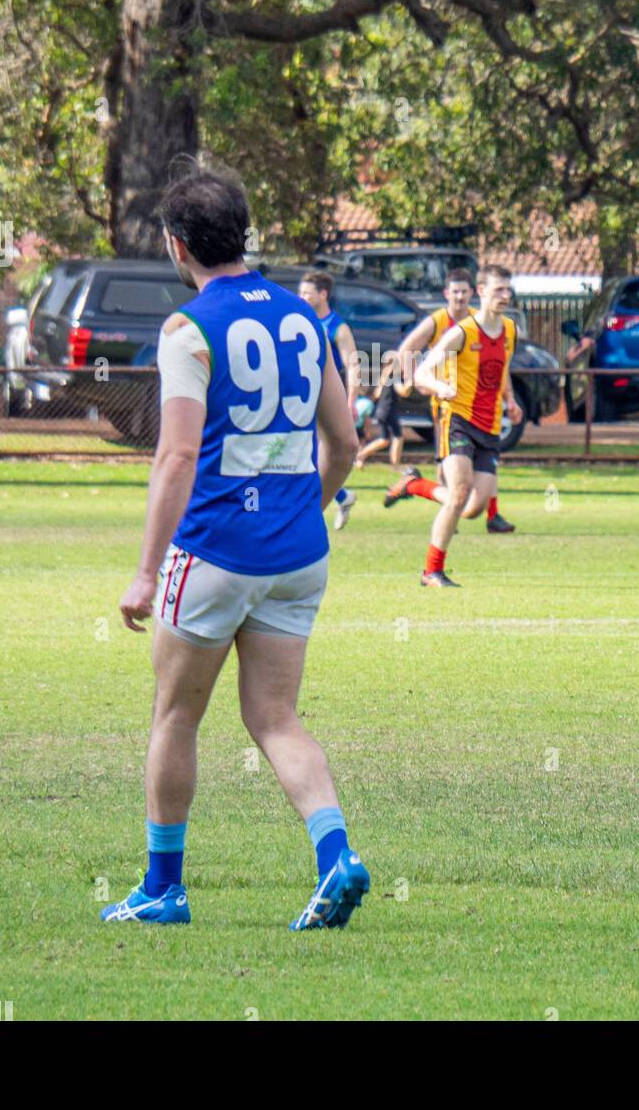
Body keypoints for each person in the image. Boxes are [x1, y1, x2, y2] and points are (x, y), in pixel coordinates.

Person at [108, 165, 369, 929]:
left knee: (175, 718)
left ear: (175, 244)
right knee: (277, 718)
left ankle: (162, 888)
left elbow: (178, 457)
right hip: (298, 553)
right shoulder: (302, 317)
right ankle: (336, 856)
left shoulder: (189, 329)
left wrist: (146, 570)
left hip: (216, 550)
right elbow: (346, 441)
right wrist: (304, 511)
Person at [384, 264, 522, 586]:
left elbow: (501, 372)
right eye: (498, 289)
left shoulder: (510, 331)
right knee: (459, 493)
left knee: (474, 507)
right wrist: (439, 388)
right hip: (457, 420)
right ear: (482, 291)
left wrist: (510, 401)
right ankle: (431, 570)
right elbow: (421, 373)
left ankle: (413, 485)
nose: (505, 295)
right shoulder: (463, 332)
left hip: (489, 428)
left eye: (507, 290)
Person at [299, 271, 361, 531]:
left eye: (306, 293)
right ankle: (342, 496)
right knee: (305, 455)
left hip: (326, 400)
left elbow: (353, 364)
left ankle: (325, 503)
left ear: (323, 295)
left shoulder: (337, 326)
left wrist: (351, 401)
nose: (301, 297)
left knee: (313, 454)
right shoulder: (299, 320)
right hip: (303, 397)